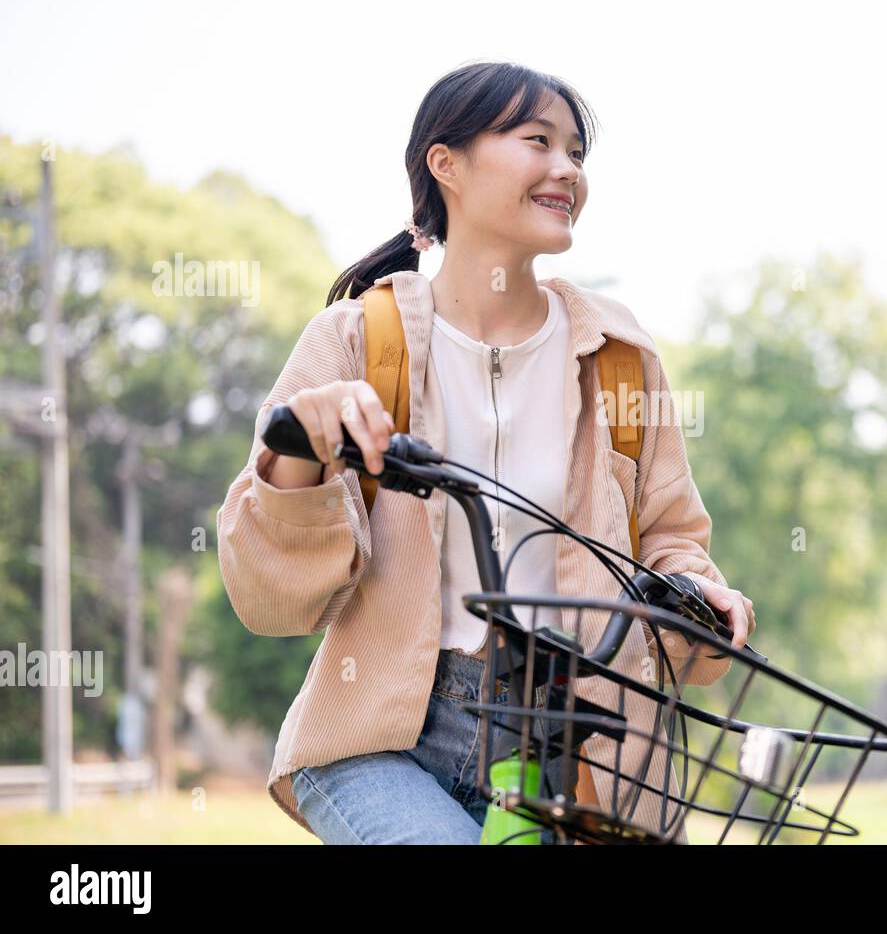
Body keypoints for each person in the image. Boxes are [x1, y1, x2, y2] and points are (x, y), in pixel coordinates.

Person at [217, 61, 756, 844]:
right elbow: (268, 598)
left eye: (577, 152)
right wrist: (301, 448)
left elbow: (671, 536)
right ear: (447, 164)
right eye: (538, 141)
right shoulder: (357, 340)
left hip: (578, 744)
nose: (566, 169)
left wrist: (699, 592)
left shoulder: (619, 356)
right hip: (386, 737)